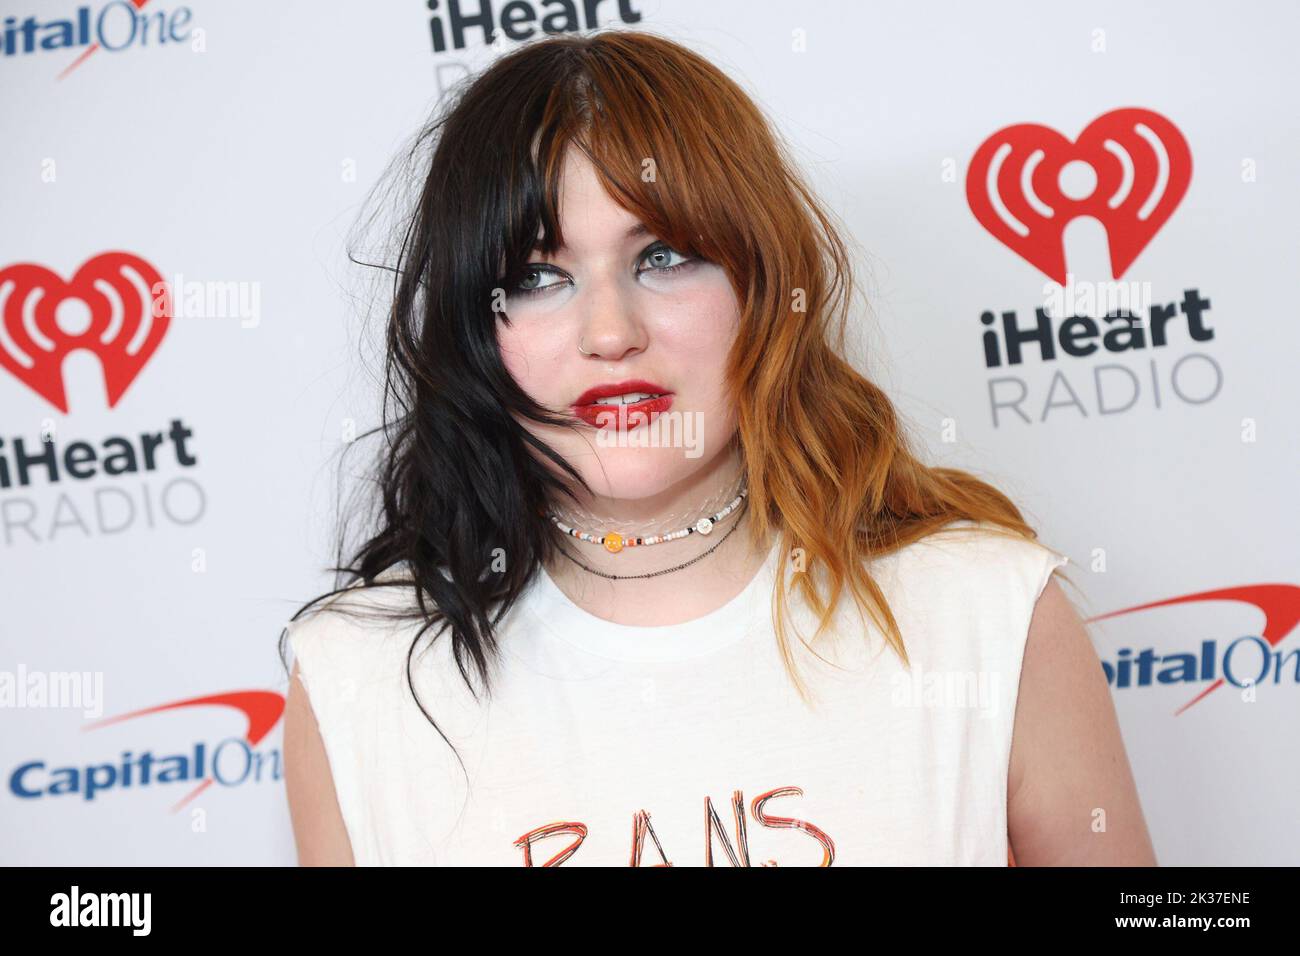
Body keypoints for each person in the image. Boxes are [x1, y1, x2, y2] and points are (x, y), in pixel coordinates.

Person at [281, 29, 1156, 867]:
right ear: (475, 323)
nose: (610, 332)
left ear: (764, 283)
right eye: (538, 276)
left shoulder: (984, 612)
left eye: (663, 256)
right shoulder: (359, 677)